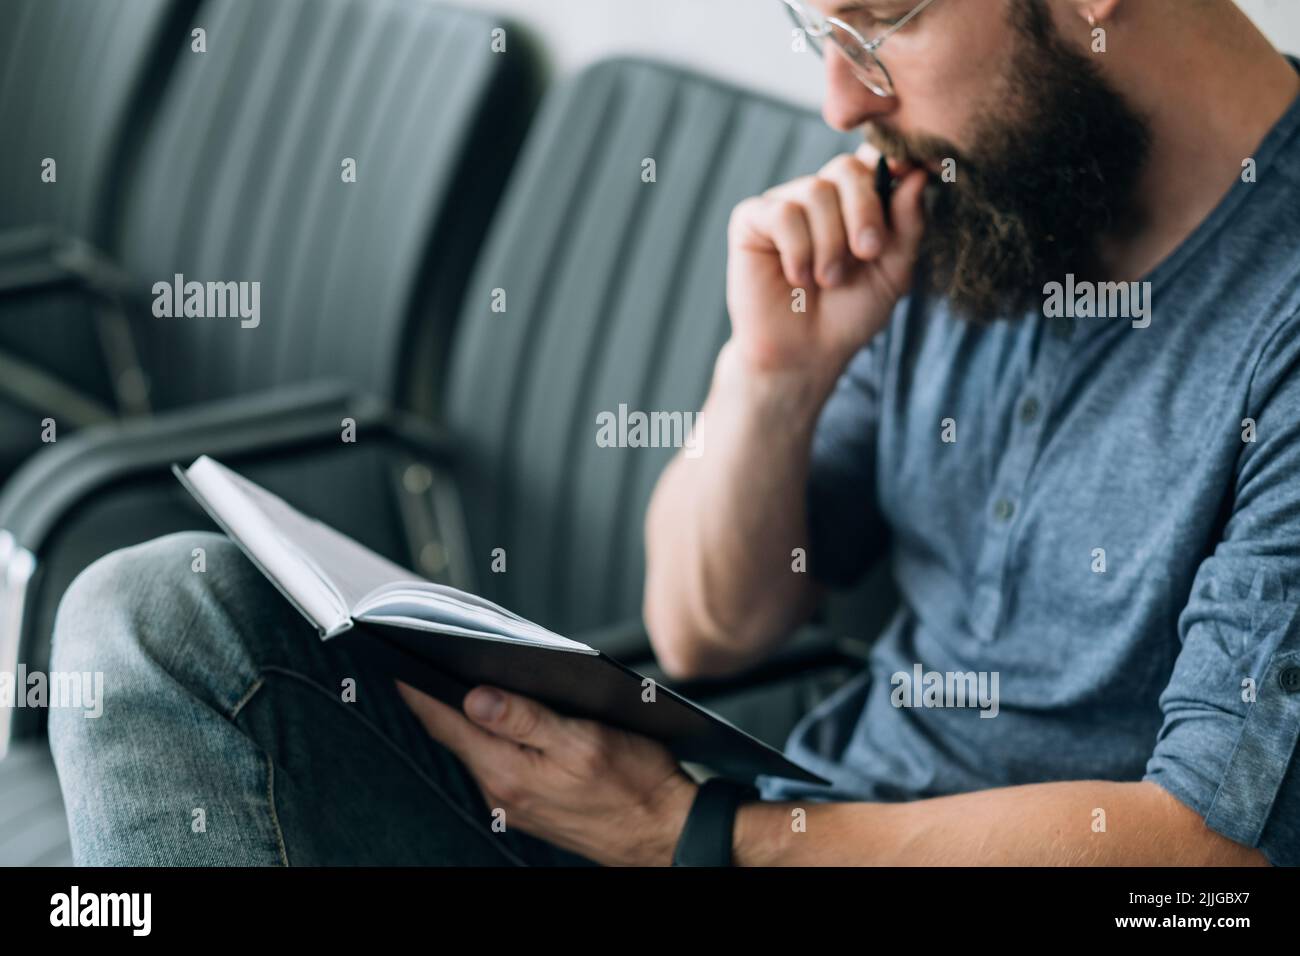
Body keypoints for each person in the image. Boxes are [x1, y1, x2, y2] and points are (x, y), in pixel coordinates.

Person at [51, 0, 1300, 865]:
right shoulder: (988, 199)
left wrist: (693, 834)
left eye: (877, 24)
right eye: (819, 32)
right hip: (758, 830)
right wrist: (771, 374)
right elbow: (706, 622)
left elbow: (1208, 851)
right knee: (163, 618)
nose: (836, 94)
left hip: (741, 844)